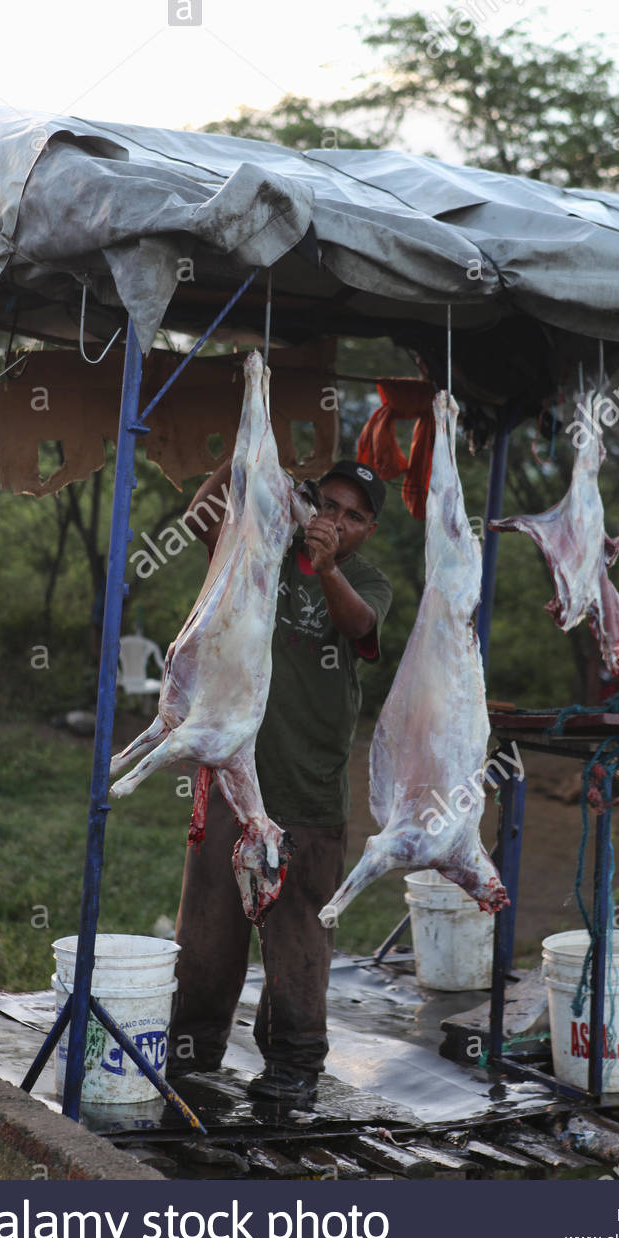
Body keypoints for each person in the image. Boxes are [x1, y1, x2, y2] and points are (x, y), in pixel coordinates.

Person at [168, 457, 392, 1103]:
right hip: (233, 782)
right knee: (207, 935)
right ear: (307, 504)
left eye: (354, 516)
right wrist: (239, 461)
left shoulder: (368, 580)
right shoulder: (260, 548)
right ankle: (192, 1057)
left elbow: (357, 624)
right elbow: (199, 521)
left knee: (299, 941)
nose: (338, 523)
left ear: (368, 530)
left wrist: (327, 570)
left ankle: (294, 1065)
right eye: (329, 506)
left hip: (309, 791)